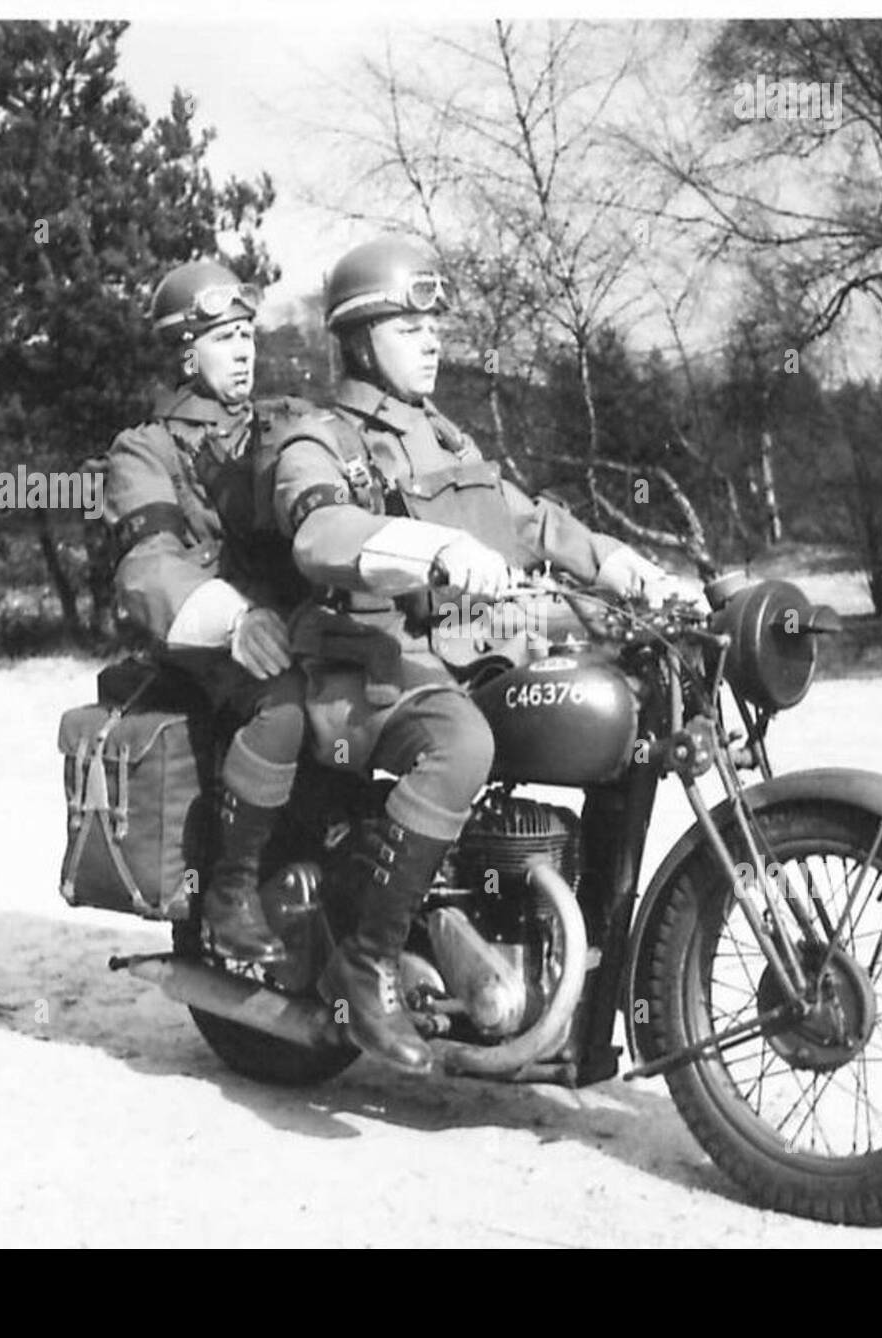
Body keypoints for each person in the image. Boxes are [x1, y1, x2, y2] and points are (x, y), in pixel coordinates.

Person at [256, 234, 704, 1075]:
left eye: (436, 324)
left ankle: (535, 933)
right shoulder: (320, 439)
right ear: (357, 338)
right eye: (406, 324)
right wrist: (425, 550)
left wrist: (635, 573)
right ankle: (368, 960)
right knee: (462, 745)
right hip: (365, 670)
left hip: (457, 660)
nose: (432, 340)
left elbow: (532, 523)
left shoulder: (447, 442)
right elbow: (318, 531)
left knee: (590, 688)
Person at [102, 259, 307, 965]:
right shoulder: (146, 449)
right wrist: (233, 619)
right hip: (207, 641)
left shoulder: (284, 428)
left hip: (297, 622)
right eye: (224, 337)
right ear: (185, 353)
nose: (245, 349)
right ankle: (231, 890)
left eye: (248, 332)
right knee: (283, 706)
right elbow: (148, 565)